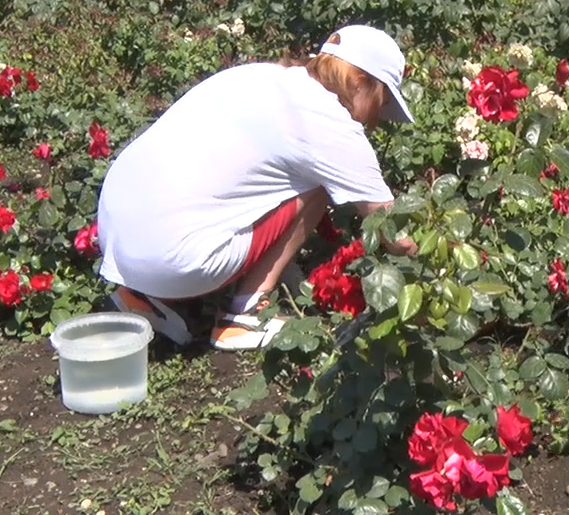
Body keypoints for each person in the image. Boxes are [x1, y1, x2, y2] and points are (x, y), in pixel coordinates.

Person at [95, 24, 418, 351]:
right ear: (360, 82)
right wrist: (437, 258)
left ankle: (143, 297)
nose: (375, 119)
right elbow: (391, 229)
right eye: (380, 102)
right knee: (317, 185)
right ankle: (246, 313)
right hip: (175, 261)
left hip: (114, 235)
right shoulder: (332, 126)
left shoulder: (257, 75)